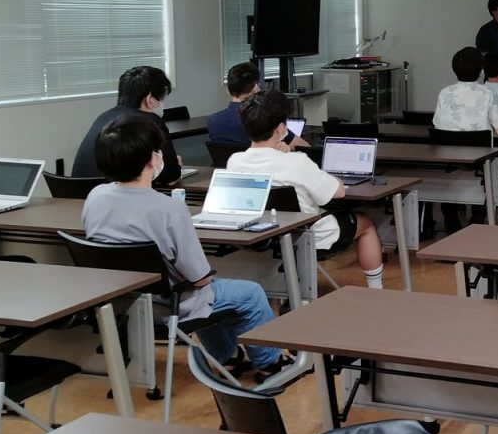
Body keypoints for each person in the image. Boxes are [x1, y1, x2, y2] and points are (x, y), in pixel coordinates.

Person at [82, 114, 287, 377]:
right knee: (248, 293)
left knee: (213, 292)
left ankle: (227, 357)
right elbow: (199, 278)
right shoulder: (168, 208)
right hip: (171, 305)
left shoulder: (96, 197)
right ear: (152, 159)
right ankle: (270, 364)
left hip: (122, 303)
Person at [227, 90, 387, 289]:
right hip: (310, 234)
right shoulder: (296, 162)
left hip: (264, 234)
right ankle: (376, 289)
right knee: (366, 223)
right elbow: (339, 192)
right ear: (280, 128)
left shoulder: (234, 161)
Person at [72, 66, 182, 185]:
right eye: (160, 99)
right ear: (149, 99)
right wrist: (177, 166)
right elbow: (169, 176)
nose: (161, 104)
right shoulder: (150, 121)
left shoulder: (103, 117)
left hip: (78, 193)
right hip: (118, 193)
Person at [206, 62, 308, 148]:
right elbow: (304, 147)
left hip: (228, 165)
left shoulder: (213, 121)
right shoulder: (261, 118)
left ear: (228, 90)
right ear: (255, 88)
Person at [434, 46, 498, 135]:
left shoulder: (444, 93)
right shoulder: (489, 93)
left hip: (447, 143)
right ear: (481, 71)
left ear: (454, 69)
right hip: (480, 143)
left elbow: (437, 125)